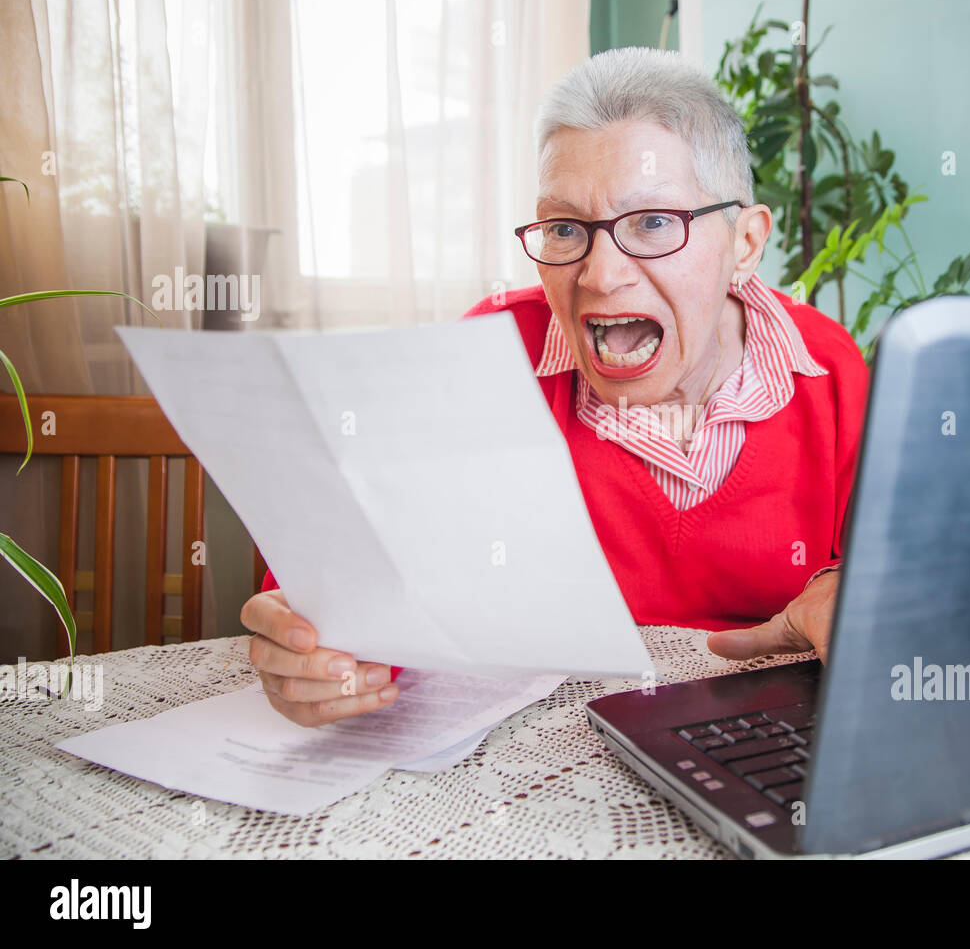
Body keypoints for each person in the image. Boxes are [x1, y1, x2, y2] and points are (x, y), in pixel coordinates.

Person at [241, 47, 868, 727]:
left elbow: (895, 587)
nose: (600, 276)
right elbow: (362, 570)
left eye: (653, 222)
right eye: (567, 228)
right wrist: (323, 650)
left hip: (746, 748)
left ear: (744, 243)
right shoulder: (491, 353)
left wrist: (853, 594)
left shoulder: (829, 371)